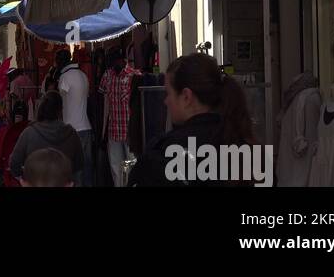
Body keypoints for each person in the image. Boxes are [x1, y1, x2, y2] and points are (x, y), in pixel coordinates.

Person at [128, 53, 255, 187]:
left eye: (168, 93)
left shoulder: (162, 156)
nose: (166, 101)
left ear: (186, 97)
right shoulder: (250, 151)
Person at [9, 91, 84, 185]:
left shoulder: (29, 133)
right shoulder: (72, 134)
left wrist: (25, 180)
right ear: (60, 110)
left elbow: (14, 163)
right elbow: (79, 165)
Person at [99, 47, 140, 187]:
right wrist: (103, 132)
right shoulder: (107, 76)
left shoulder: (134, 75)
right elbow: (104, 104)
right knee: (115, 168)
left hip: (129, 131)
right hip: (113, 131)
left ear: (122, 60)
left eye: (114, 61)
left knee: (131, 167)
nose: (112, 64)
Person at [56, 48, 94, 187]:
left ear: (61, 62)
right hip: (86, 128)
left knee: (74, 170)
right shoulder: (83, 76)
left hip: (71, 130)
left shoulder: (65, 78)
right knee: (87, 169)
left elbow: (60, 102)